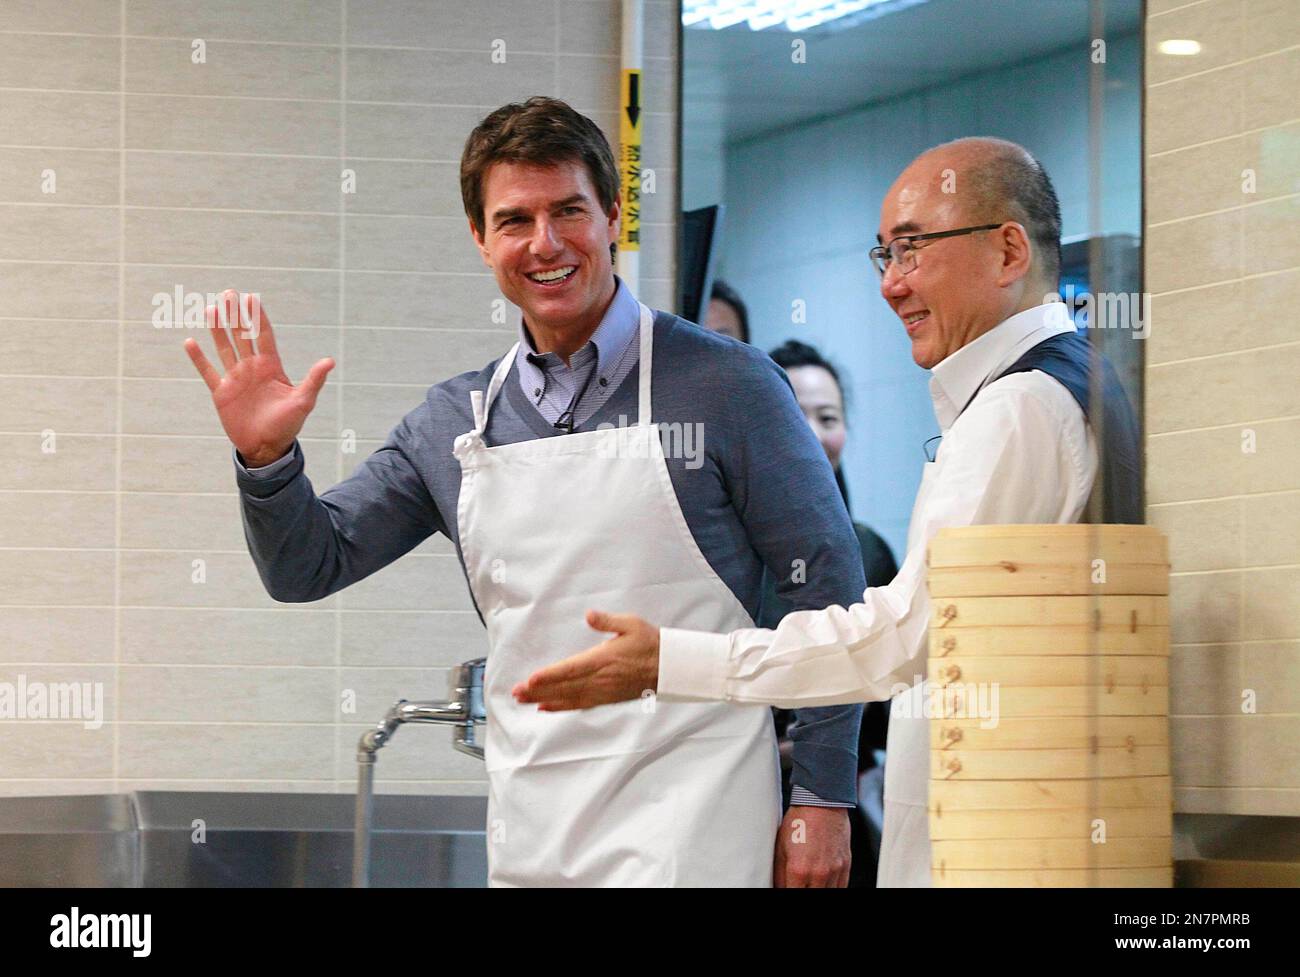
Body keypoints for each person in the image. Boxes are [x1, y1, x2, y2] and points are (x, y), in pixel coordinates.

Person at [183, 96, 867, 887]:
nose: (545, 244)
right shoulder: (454, 421)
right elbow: (309, 565)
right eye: (514, 220)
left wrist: (822, 794)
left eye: (568, 210)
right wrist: (267, 459)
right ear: (480, 239)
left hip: (700, 827)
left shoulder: (730, 386)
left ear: (612, 214)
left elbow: (825, 578)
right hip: (534, 836)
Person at [512, 136, 1142, 887]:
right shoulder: (1078, 384)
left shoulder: (1018, 409)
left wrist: (670, 659)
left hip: (1008, 847)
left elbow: (905, 637)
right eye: (884, 257)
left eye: (912, 250)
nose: (891, 286)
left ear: (1008, 251)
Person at [763, 339, 898, 887]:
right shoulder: (726, 554)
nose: (815, 434)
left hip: (838, 813)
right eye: (795, 417)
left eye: (829, 417)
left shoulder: (870, 551)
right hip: (744, 800)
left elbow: (894, 705)